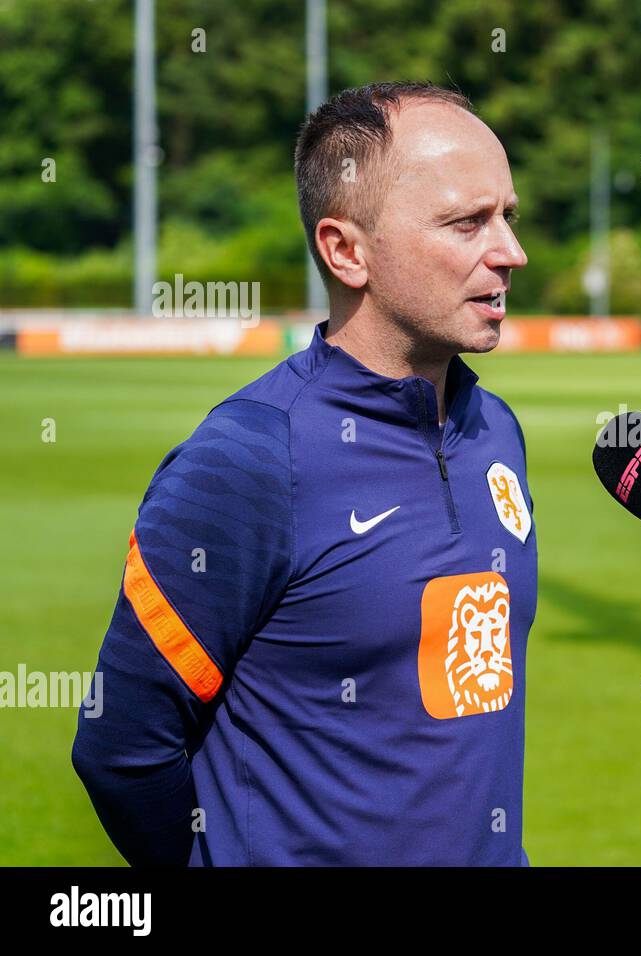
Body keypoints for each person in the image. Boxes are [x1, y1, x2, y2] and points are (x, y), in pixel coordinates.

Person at [72, 82, 535, 865]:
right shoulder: (250, 459)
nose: (511, 253)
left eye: (508, 217)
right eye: (467, 222)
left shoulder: (495, 431)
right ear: (346, 250)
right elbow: (122, 743)